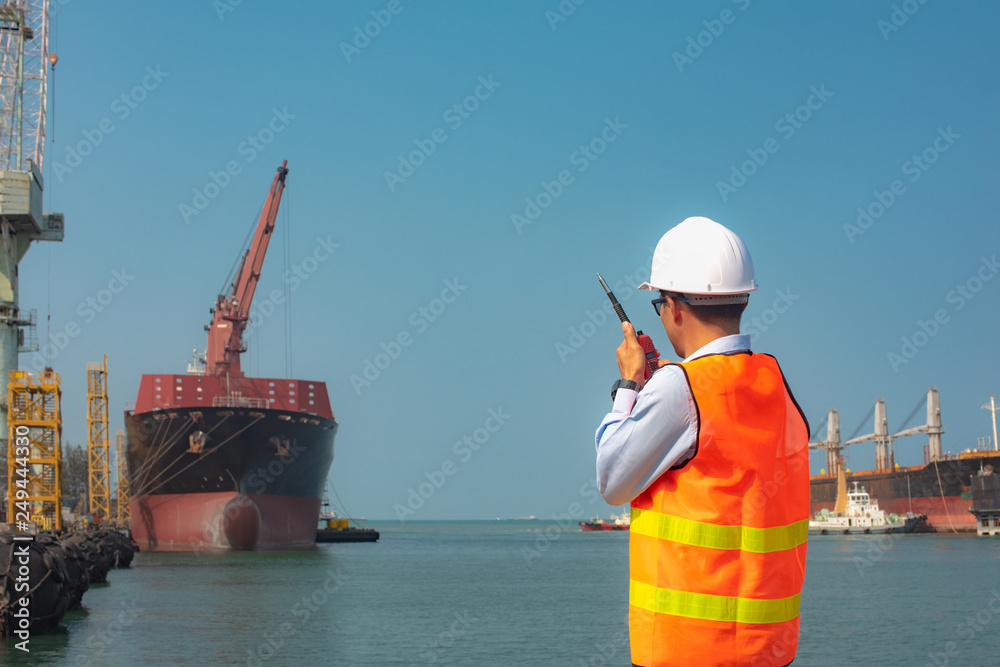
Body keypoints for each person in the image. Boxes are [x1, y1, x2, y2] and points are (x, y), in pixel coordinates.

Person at [595, 216, 810, 667]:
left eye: (658, 304)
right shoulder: (775, 382)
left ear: (673, 307)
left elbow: (613, 480)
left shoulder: (677, 389)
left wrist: (630, 386)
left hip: (687, 653)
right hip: (766, 652)